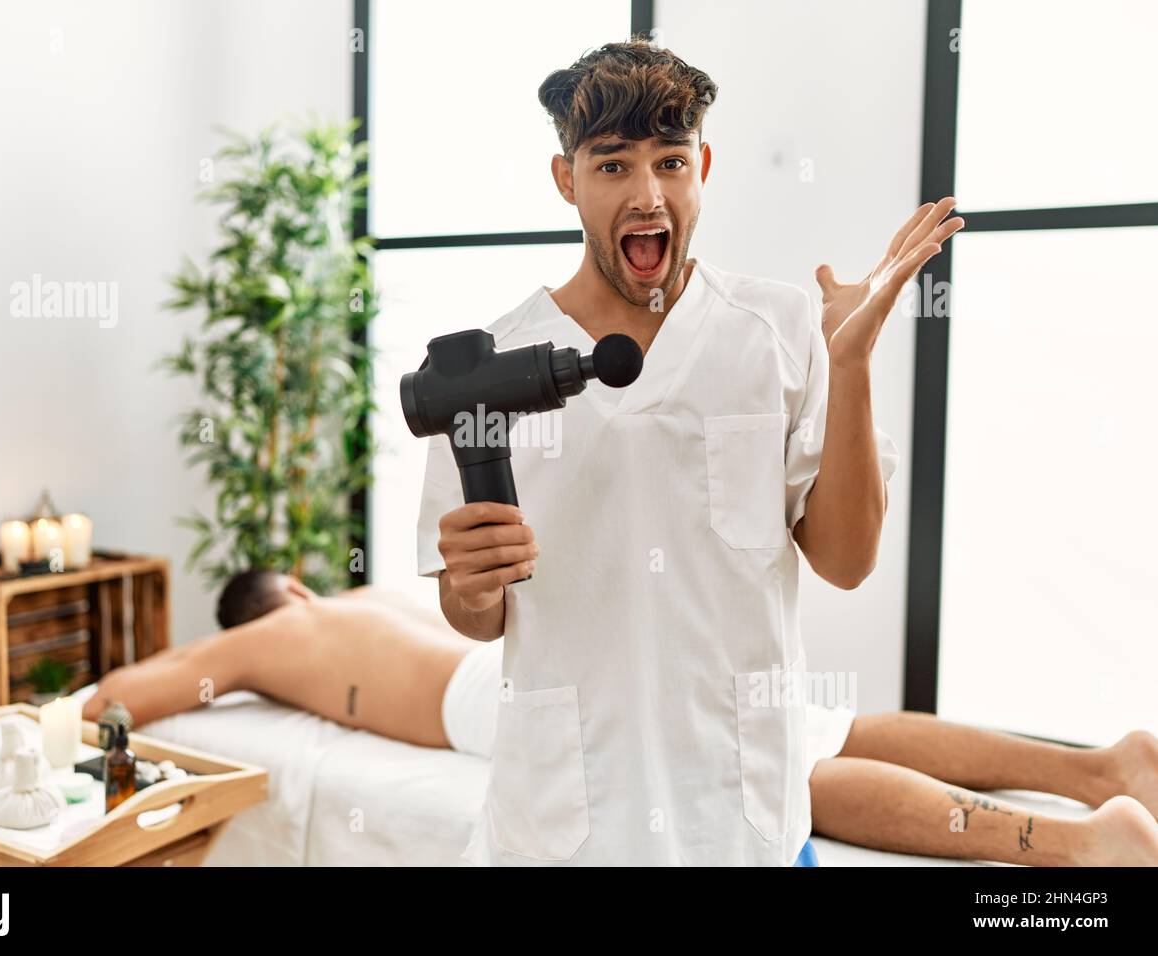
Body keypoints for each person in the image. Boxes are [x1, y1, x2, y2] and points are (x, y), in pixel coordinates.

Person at [413, 38, 963, 865]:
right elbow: (477, 619)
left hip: (734, 814)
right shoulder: (488, 365)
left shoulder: (781, 331)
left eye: (670, 162)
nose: (648, 195)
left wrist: (847, 365)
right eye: (612, 167)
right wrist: (469, 582)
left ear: (702, 164)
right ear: (565, 179)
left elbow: (846, 561)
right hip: (564, 820)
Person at [82, 571, 1158, 866]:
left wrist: (73, 708)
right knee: (823, 725)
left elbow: (151, 682)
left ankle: (1077, 841)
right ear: (301, 587)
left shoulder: (272, 640)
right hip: (536, 660)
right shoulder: (354, 607)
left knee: (780, 770)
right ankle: (1095, 768)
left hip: (502, 700)